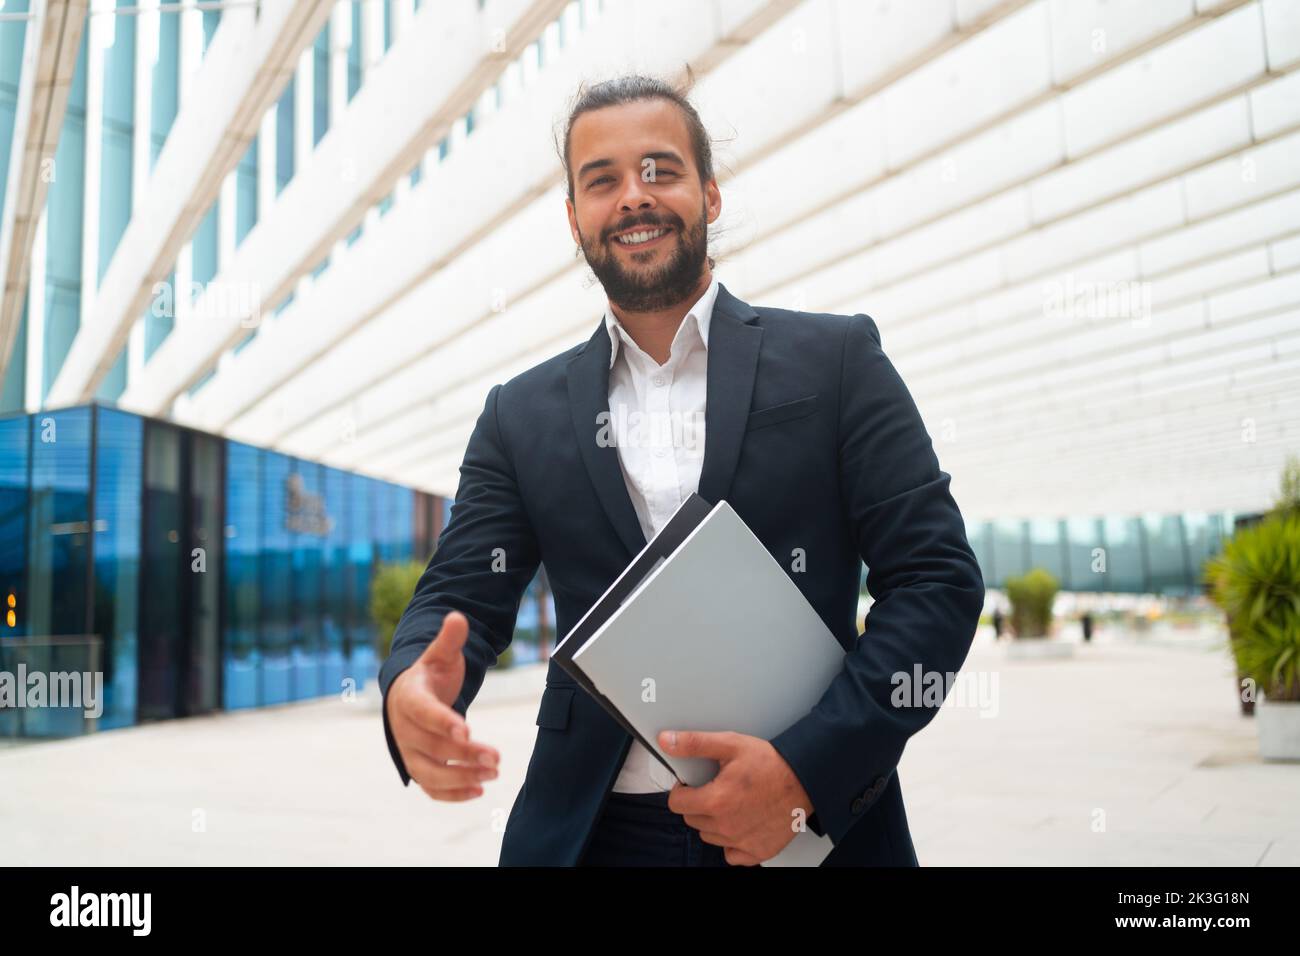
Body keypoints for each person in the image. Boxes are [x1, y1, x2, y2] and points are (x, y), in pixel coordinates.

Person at [380, 73, 985, 867]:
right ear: (574, 218)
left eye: (660, 170)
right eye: (602, 181)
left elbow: (937, 581)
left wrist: (807, 772)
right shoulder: (517, 414)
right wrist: (409, 691)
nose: (634, 196)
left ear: (710, 194)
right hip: (594, 836)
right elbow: (460, 595)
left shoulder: (837, 362)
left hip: (803, 825)